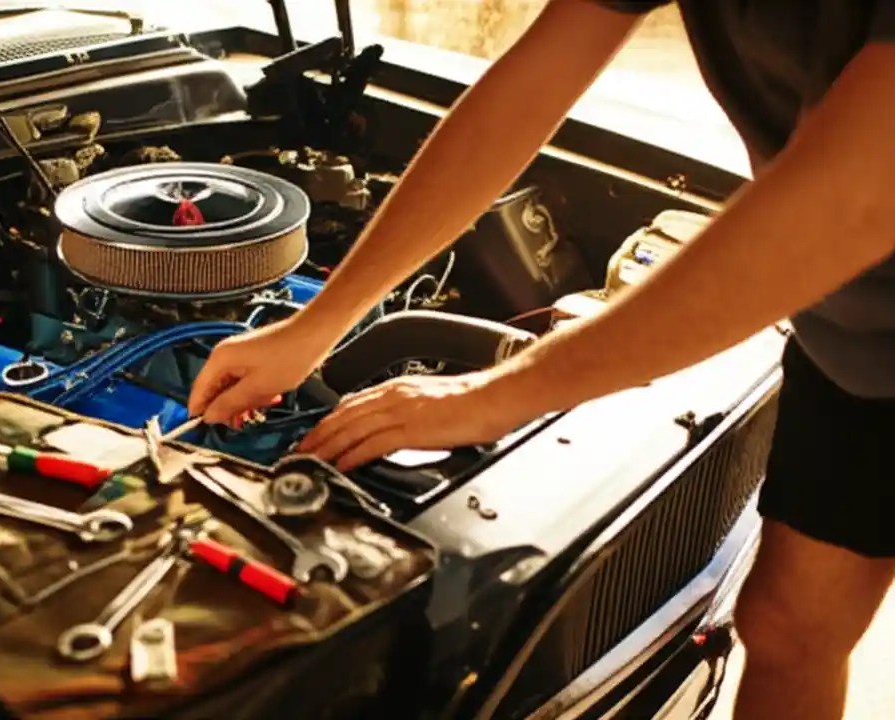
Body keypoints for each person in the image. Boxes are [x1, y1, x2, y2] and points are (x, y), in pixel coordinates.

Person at [186, 1, 895, 718]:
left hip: (850, 259)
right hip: (850, 330)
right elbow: (527, 89)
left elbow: (856, 195)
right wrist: (316, 328)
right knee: (786, 627)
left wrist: (488, 398)